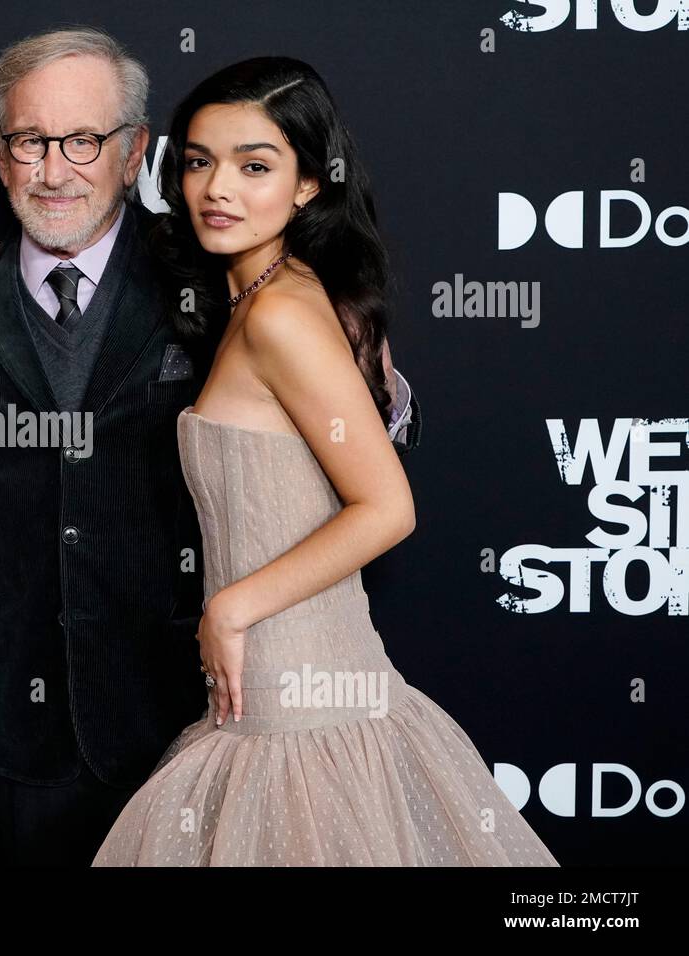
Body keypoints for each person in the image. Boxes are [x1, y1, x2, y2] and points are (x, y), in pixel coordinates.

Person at [0, 28, 419, 867]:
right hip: (20, 720)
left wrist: (361, 348)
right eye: (30, 142)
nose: (56, 168)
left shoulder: (212, 276)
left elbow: (356, 446)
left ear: (132, 154)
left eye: (84, 140)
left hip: (191, 704)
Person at [92, 56, 558, 866]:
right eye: (199, 161)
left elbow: (387, 506)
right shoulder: (262, 295)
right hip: (273, 694)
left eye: (255, 165)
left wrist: (231, 608)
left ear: (309, 184)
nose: (217, 189)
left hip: (299, 699)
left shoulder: (283, 315)